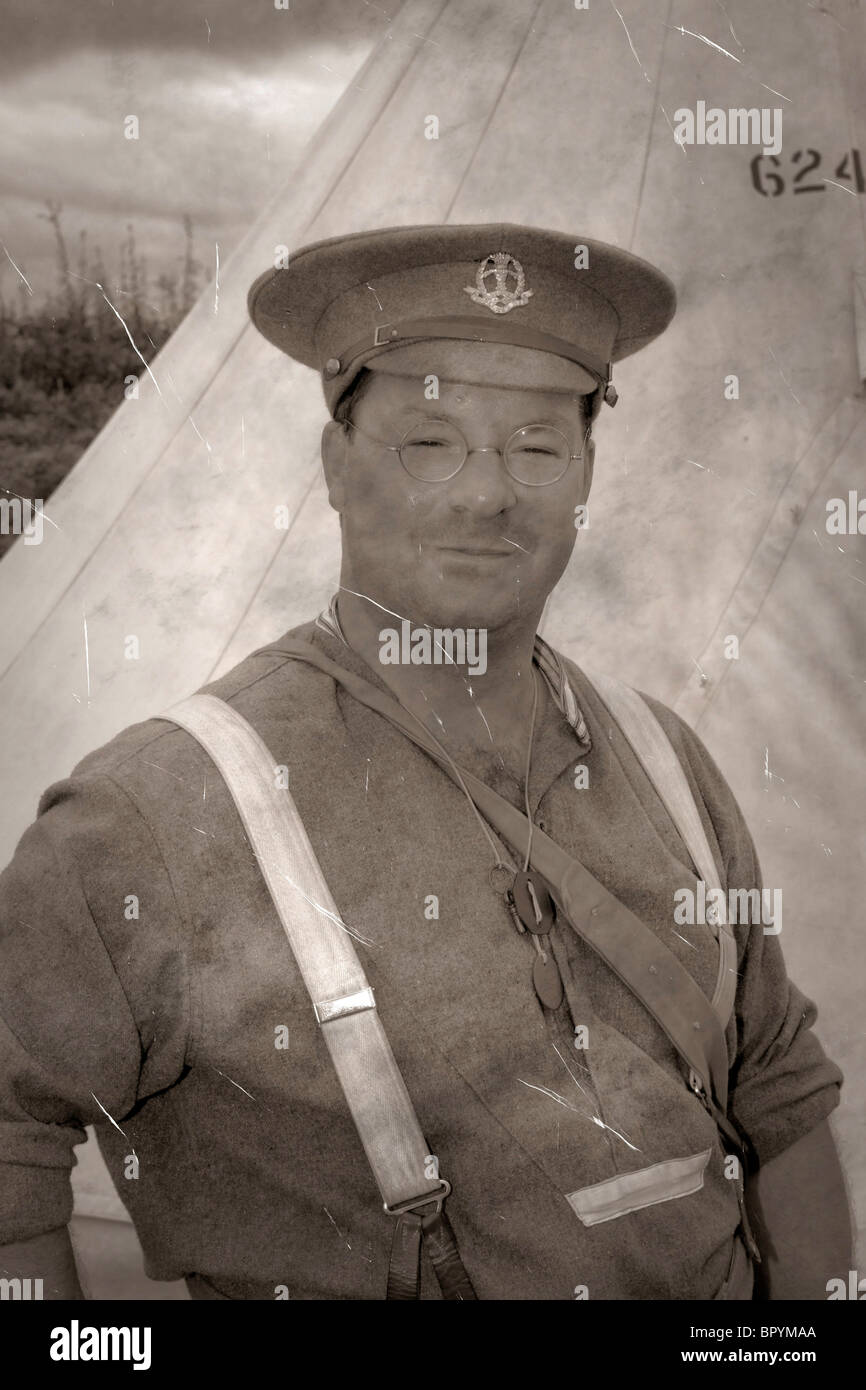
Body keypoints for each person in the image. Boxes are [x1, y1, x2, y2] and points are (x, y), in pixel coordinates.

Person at [0, 224, 850, 1300]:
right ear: (335, 465)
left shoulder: (662, 756)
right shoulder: (154, 808)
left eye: (536, 446)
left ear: (586, 470)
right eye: (428, 442)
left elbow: (774, 1085)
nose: (486, 495)